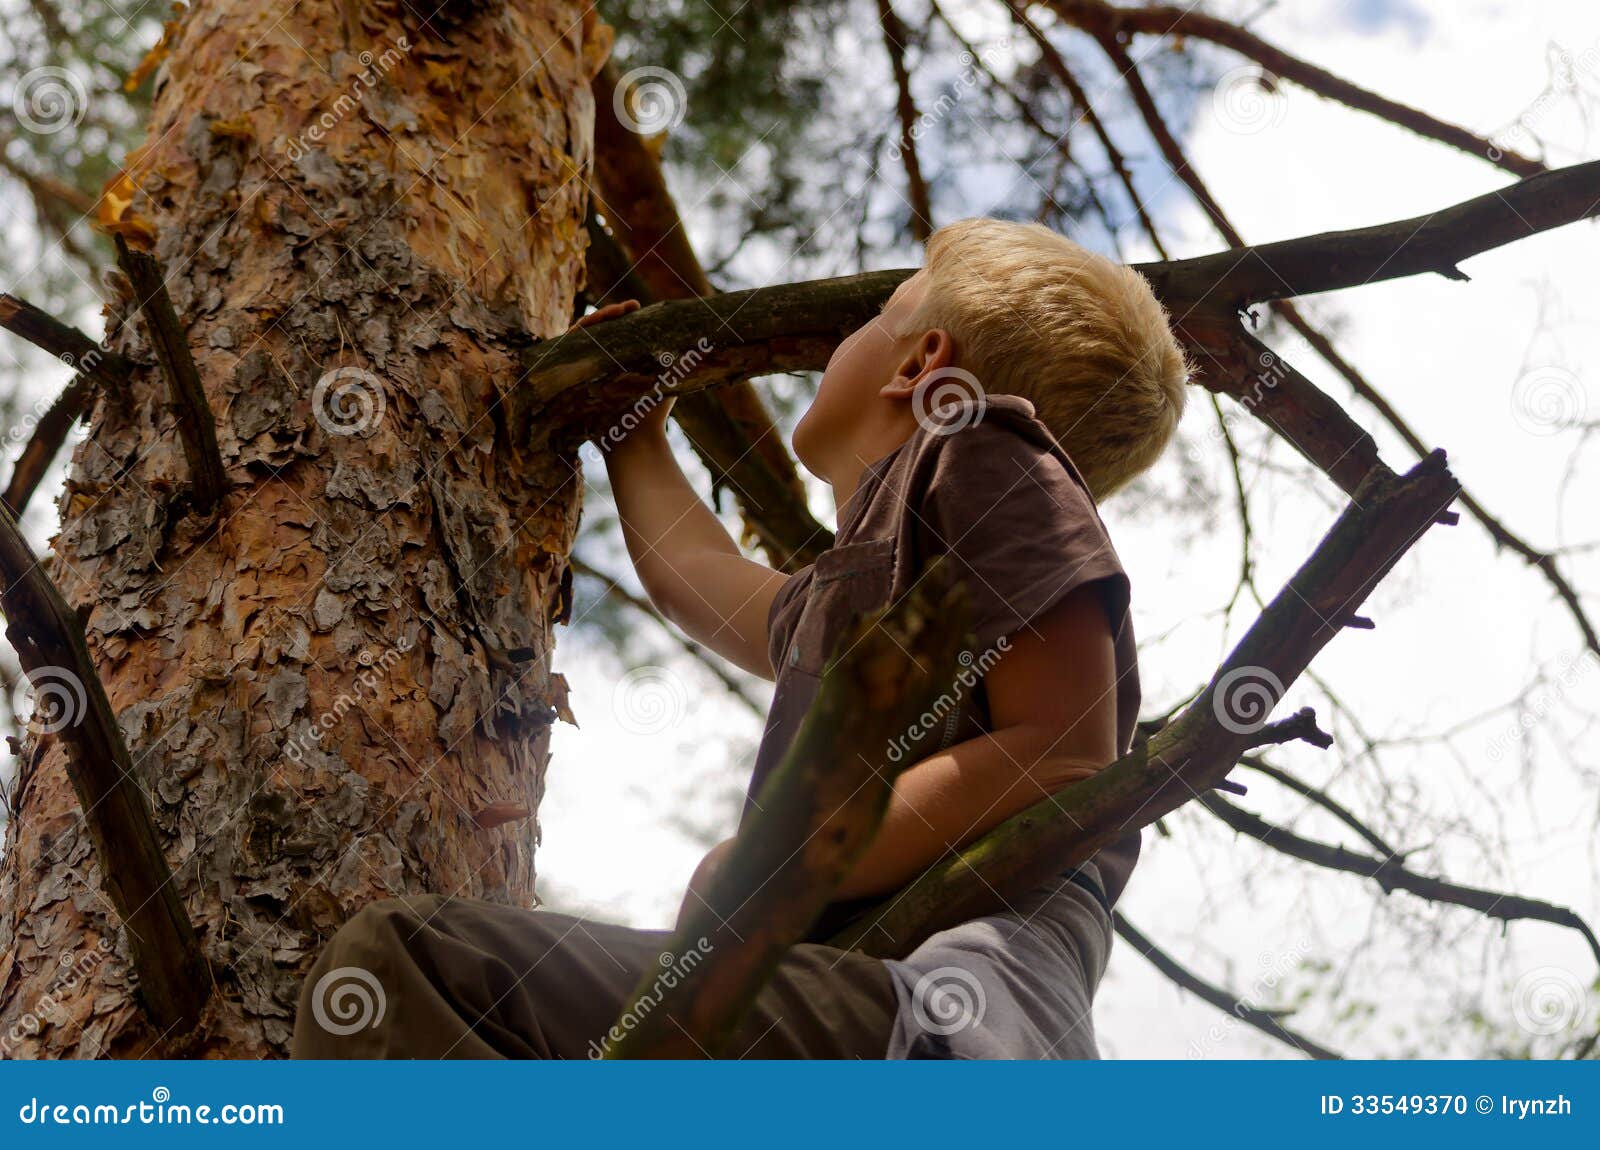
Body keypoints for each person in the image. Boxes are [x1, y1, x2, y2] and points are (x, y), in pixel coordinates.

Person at [291, 218, 1188, 1059]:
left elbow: (1066, 755)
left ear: (920, 364)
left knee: (403, 967)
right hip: (864, 1016)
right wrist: (633, 433)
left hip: (948, 1025)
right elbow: (700, 579)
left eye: (875, 315)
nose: (840, 341)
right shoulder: (855, 588)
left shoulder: (985, 449)